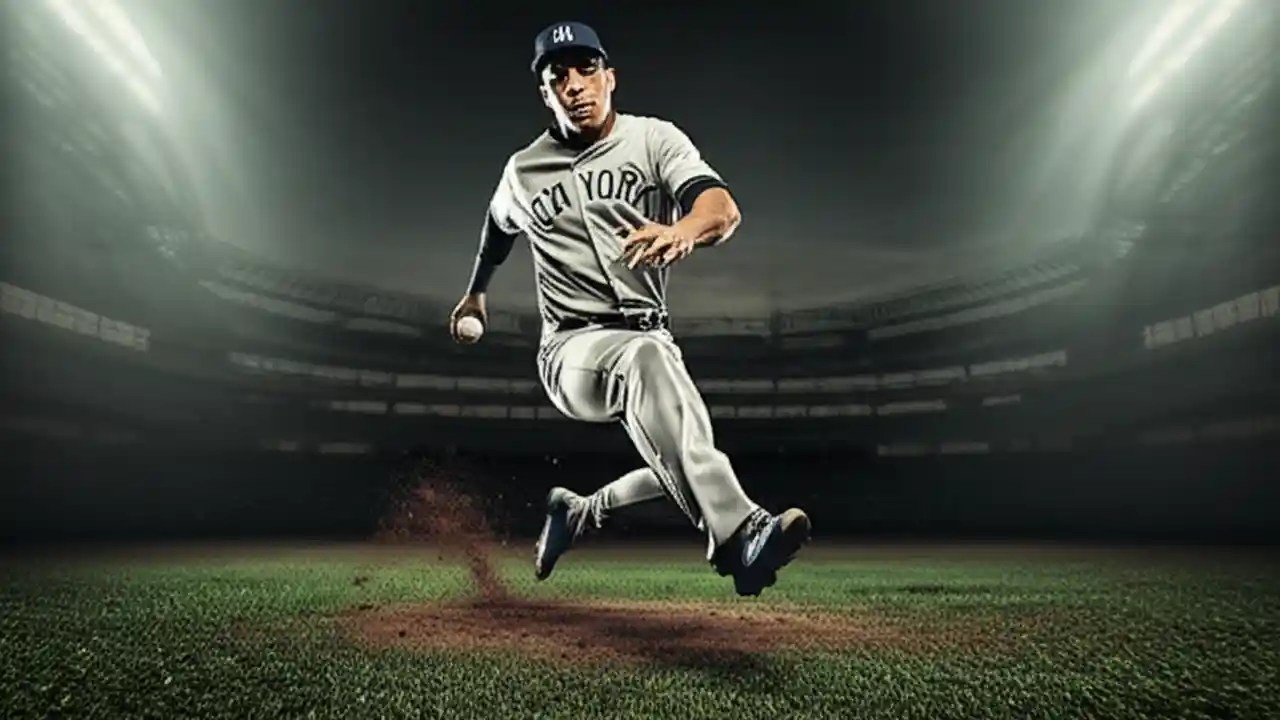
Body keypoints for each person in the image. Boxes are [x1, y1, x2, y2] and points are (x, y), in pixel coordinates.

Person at [448, 20, 809, 596]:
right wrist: (476, 292)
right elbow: (497, 226)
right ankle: (742, 535)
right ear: (545, 93)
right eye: (557, 75)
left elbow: (720, 207)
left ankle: (578, 512)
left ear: (610, 77)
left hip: (651, 340)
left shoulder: (655, 139)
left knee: (685, 454)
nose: (574, 84)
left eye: (587, 69)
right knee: (674, 420)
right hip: (571, 350)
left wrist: (685, 229)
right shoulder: (522, 170)